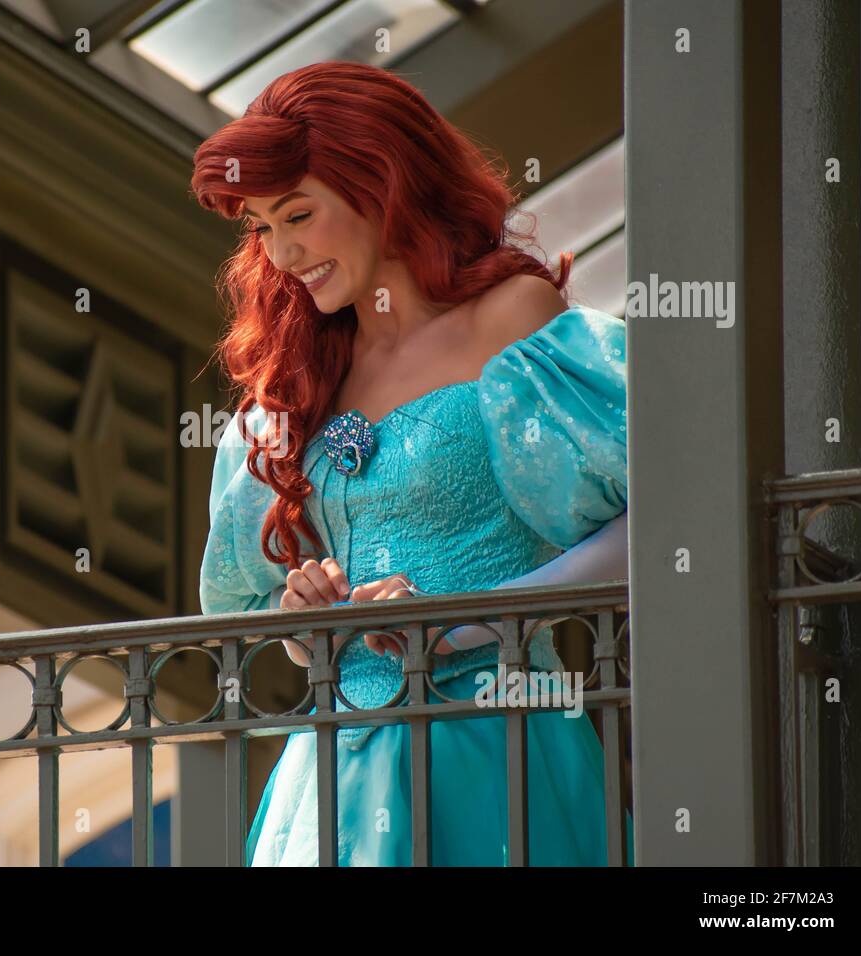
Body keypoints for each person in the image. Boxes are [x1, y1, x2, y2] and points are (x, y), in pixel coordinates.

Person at [191, 60, 632, 866]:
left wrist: (461, 617)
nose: (282, 253)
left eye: (298, 214)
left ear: (381, 185)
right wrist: (304, 621)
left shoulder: (510, 320)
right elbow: (252, 612)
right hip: (331, 773)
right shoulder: (299, 378)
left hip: (494, 738)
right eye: (261, 228)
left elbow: (659, 519)